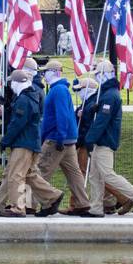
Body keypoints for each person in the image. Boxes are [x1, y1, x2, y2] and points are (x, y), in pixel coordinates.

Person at [0, 68, 63, 217]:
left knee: (15, 175)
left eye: (12, 83)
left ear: (17, 83)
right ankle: (52, 197)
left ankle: (18, 208)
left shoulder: (23, 99)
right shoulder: (30, 96)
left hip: (23, 144)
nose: (11, 86)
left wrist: (6, 140)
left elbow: (17, 124)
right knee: (25, 174)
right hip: (31, 142)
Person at [80, 60, 133, 218]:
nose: (96, 77)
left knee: (107, 174)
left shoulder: (109, 95)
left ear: (105, 75)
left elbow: (102, 121)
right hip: (99, 140)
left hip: (105, 140)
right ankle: (96, 208)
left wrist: (89, 139)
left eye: (97, 74)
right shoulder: (105, 93)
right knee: (94, 176)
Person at [36, 59, 90, 215]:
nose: (44, 75)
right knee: (74, 172)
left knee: (40, 170)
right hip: (68, 140)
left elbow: (63, 116)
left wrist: (59, 137)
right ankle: (82, 203)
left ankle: (44, 202)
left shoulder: (58, 90)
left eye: (46, 72)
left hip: (57, 139)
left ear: (54, 72)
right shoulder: (60, 89)